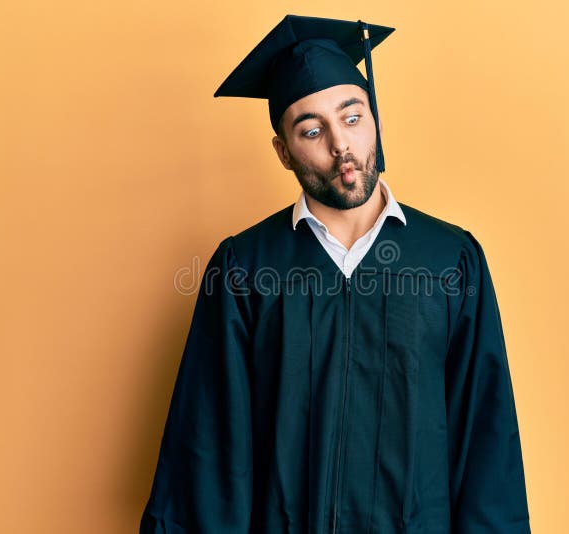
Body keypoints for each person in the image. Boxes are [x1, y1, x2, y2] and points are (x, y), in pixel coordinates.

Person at [140, 14, 531, 534]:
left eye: (352, 117)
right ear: (283, 151)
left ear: (376, 122)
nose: (340, 145)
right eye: (310, 129)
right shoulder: (245, 270)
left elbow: (486, 440)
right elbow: (211, 449)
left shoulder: (450, 261)